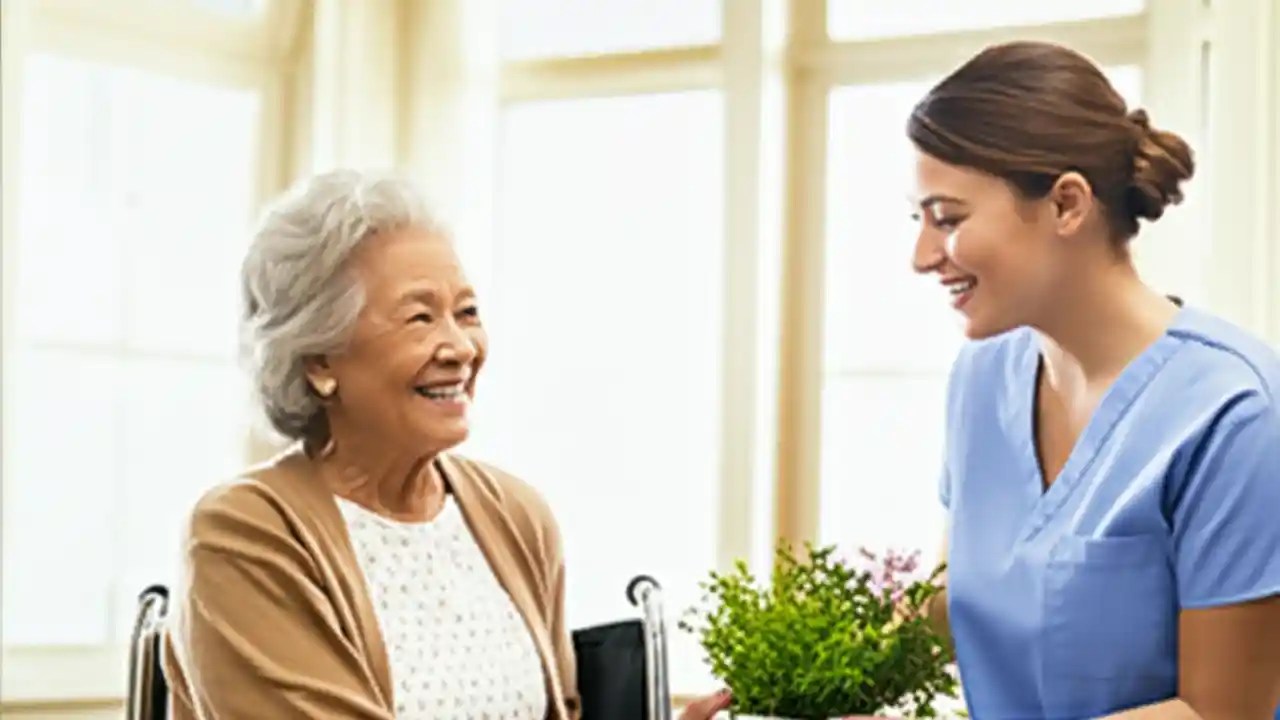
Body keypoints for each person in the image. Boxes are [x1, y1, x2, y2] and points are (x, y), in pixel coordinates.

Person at [162, 170, 733, 720]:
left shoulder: (517, 516)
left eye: (467, 312)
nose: (460, 347)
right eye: (419, 317)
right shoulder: (243, 532)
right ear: (319, 360)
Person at [908, 41, 1280, 719]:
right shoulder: (981, 379)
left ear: (1067, 205)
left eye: (949, 219)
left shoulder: (1235, 412)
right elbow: (948, 610)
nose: (922, 256)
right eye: (918, 220)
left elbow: (1224, 713)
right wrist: (784, 684)